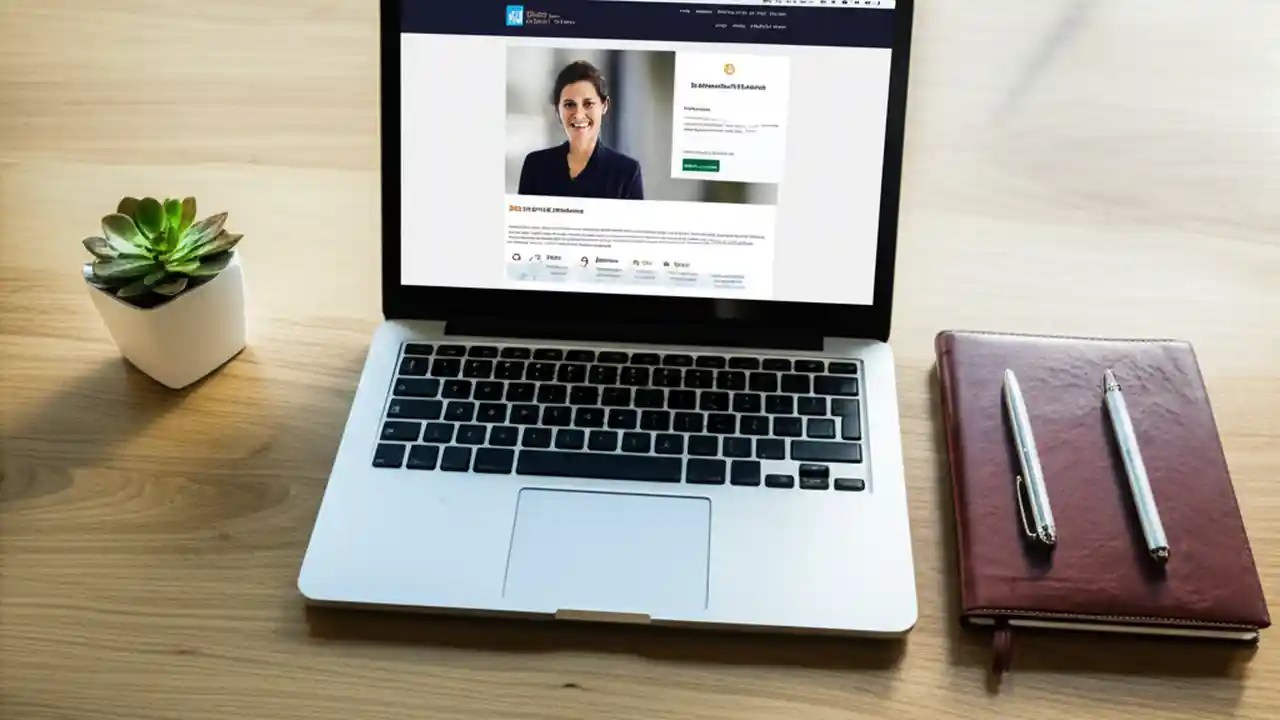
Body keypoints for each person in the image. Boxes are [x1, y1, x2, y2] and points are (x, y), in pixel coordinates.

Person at [518, 60, 644, 200]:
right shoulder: (535, 166)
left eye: (588, 104)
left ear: (604, 105)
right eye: (569, 104)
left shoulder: (626, 172)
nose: (578, 115)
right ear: (557, 109)